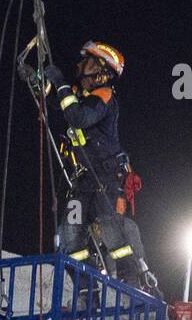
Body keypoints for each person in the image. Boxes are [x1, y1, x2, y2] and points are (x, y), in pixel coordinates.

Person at [44, 41, 158, 293]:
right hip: (81, 184)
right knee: (69, 237)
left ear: (99, 71)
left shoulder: (104, 97)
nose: (80, 66)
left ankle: (132, 287)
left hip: (105, 180)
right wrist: (39, 82)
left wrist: (60, 82)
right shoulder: (78, 96)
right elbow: (57, 103)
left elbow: (78, 117)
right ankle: (88, 291)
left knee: (112, 234)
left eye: (87, 63)